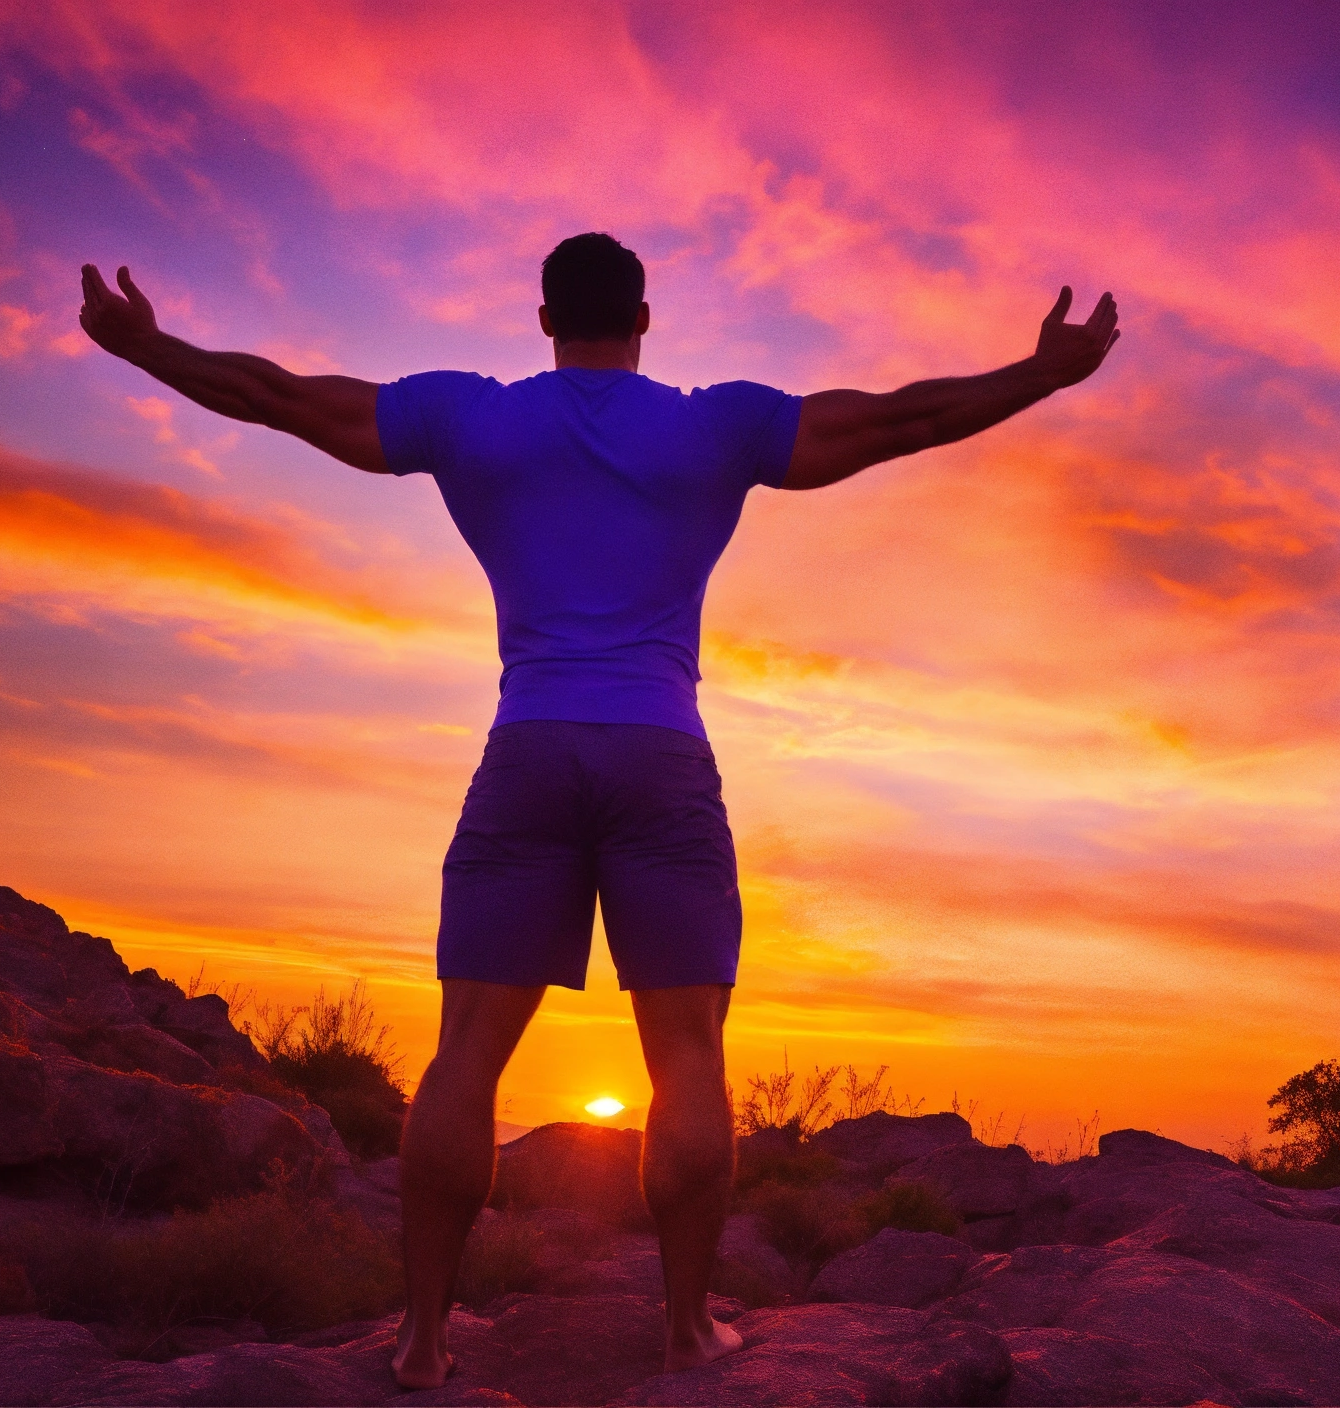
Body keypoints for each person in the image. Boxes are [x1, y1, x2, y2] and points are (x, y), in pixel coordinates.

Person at [77, 233, 1120, 1385]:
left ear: (541, 319)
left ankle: (422, 1342)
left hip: (528, 750)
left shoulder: (471, 419)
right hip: (661, 759)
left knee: (466, 1051)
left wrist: (150, 348)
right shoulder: (714, 424)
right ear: (646, 320)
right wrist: (1041, 375)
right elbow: (895, 419)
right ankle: (683, 1327)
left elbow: (280, 398)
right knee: (685, 1059)